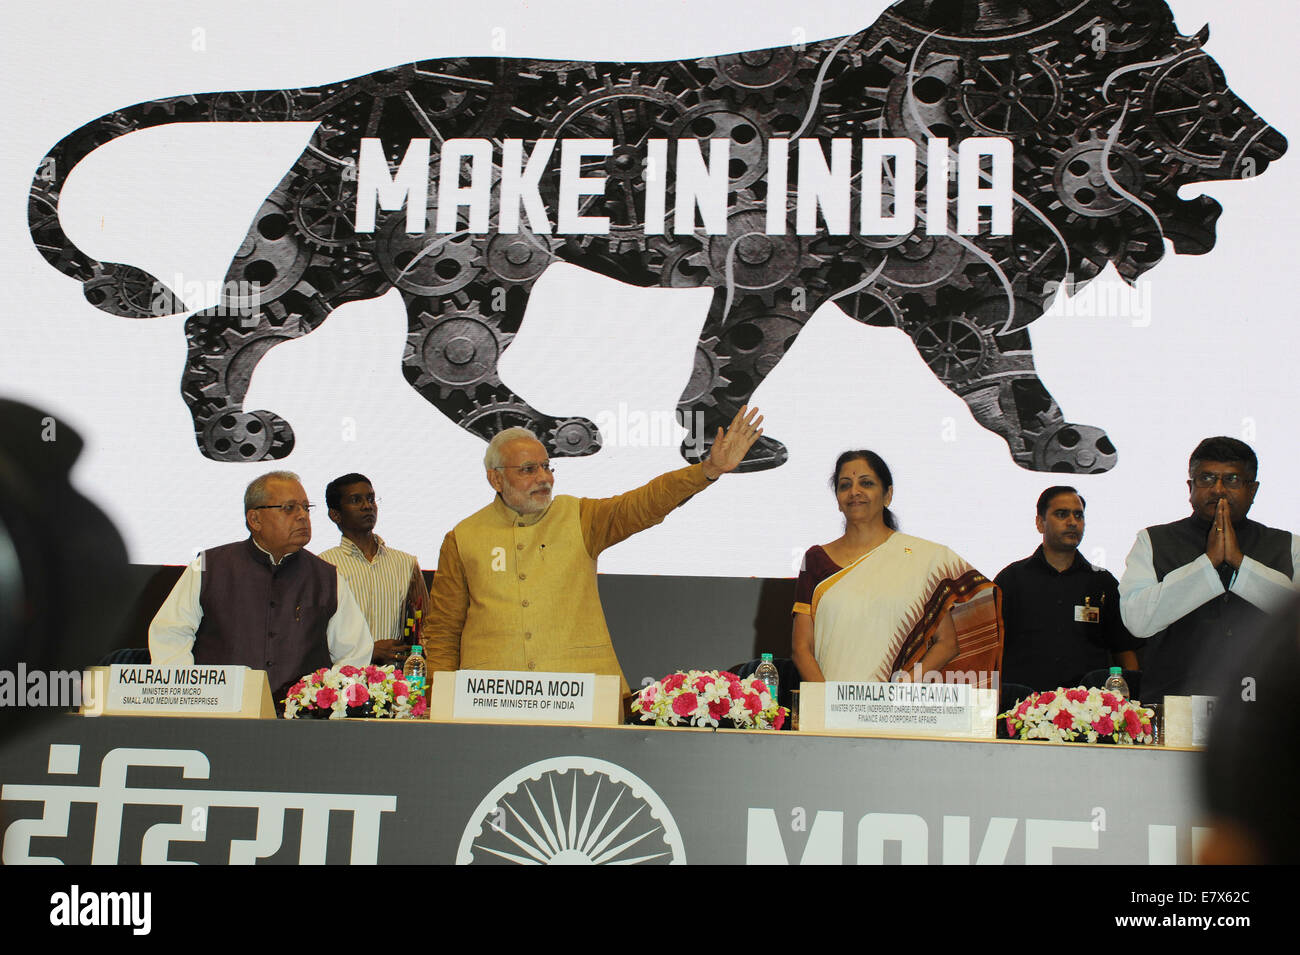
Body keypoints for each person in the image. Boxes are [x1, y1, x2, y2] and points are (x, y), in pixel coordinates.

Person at [422, 406, 764, 694]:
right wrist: (440, 694)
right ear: (495, 479)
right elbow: (443, 630)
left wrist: (707, 470)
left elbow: (641, 503)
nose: (544, 477)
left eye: (546, 466)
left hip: (577, 691)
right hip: (490, 695)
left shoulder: (580, 516)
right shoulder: (463, 537)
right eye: (528, 469)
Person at [149, 471, 373, 700]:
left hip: (297, 725)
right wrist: (188, 698)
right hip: (220, 718)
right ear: (254, 519)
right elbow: (170, 634)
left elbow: (355, 652)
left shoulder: (328, 577)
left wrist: (321, 700)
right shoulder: (207, 566)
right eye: (289, 508)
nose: (302, 516)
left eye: (306, 507)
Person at [791, 450, 999, 684]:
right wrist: (828, 703)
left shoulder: (922, 559)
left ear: (887, 495)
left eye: (866, 483)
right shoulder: (816, 559)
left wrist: (900, 690)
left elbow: (947, 644)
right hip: (828, 709)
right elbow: (801, 648)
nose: (854, 492)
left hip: (895, 711)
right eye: (844, 485)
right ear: (838, 499)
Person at [1119, 436, 1300, 702]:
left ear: (1253, 490)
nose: (1218, 489)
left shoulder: (1289, 545)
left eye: (1232, 480)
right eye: (1206, 478)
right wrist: (1207, 564)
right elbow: (1137, 621)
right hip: (1173, 702)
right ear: (1190, 487)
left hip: (1265, 708)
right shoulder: (1152, 540)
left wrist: (1240, 562)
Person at [995, 486, 1138, 692]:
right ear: (1039, 523)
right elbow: (989, 648)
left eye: (1078, 515)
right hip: (1022, 709)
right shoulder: (1012, 579)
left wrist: (1132, 701)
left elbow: (1124, 649)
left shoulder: (1103, 582)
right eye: (1061, 514)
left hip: (1091, 710)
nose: (1072, 522)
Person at [319, 473, 429, 666]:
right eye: (356, 500)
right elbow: (315, 634)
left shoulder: (406, 563)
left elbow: (427, 626)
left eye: (371, 499)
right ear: (335, 514)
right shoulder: (323, 566)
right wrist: (368, 651)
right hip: (342, 685)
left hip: (396, 686)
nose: (367, 506)